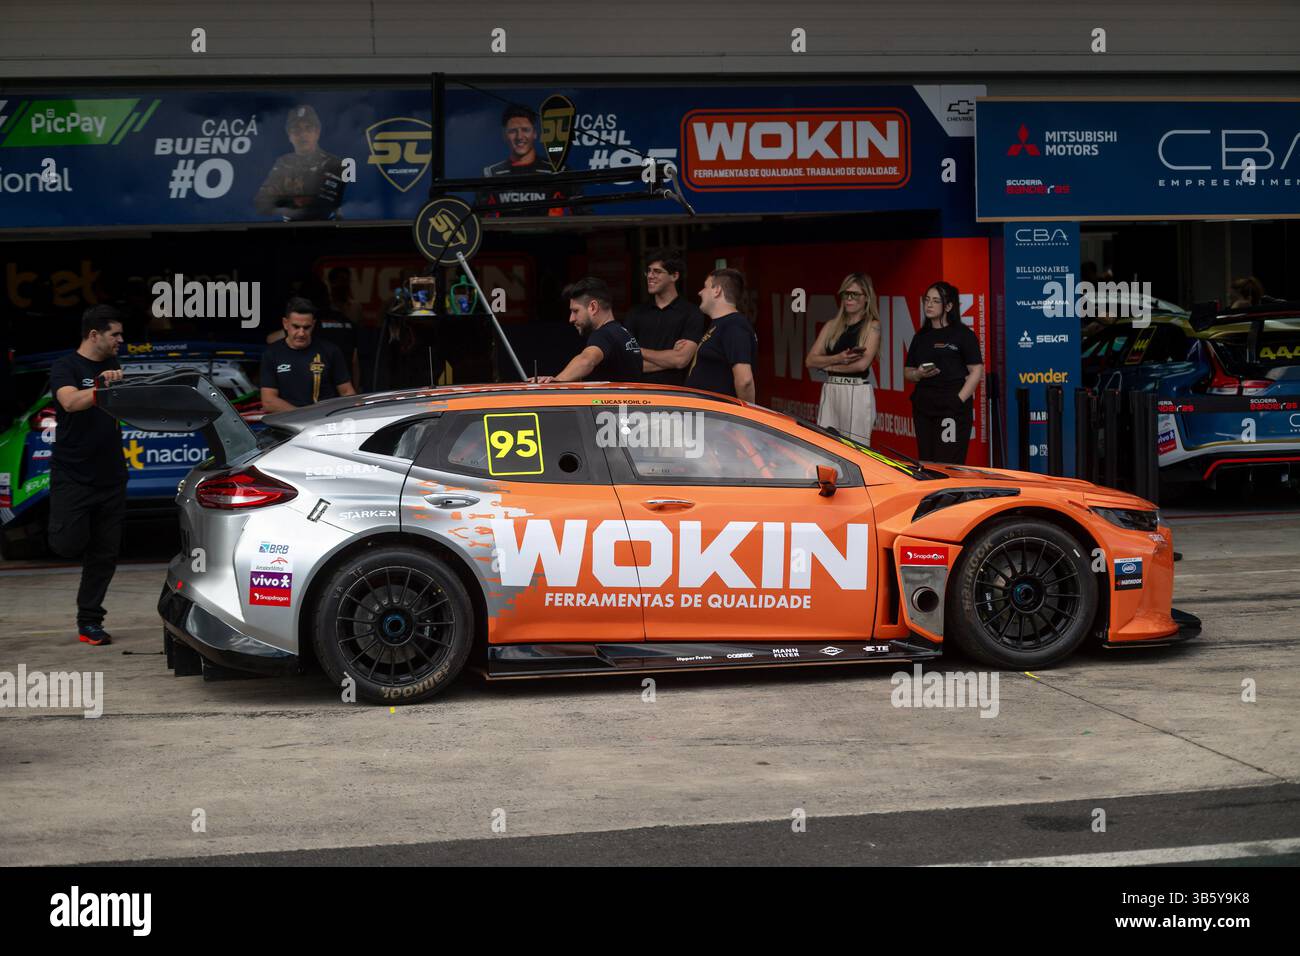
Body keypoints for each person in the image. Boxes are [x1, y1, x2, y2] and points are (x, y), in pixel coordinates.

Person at [47, 305, 127, 646]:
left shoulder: (113, 365)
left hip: (111, 474)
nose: (121, 340)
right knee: (67, 543)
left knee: (105, 554)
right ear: (94, 335)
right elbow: (69, 403)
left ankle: (90, 621)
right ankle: (66, 534)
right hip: (73, 473)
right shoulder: (65, 366)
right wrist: (100, 387)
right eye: (115, 335)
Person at [904, 281, 983, 464]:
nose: (929, 305)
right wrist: (919, 374)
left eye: (936, 301)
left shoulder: (963, 335)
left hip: (952, 408)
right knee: (927, 463)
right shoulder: (920, 336)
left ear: (948, 306)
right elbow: (908, 372)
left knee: (948, 464)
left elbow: (976, 370)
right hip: (924, 406)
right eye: (927, 300)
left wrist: (957, 400)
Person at [805, 272, 882, 443]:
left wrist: (829, 366)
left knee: (856, 448)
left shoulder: (872, 325)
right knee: (826, 444)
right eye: (846, 294)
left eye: (854, 294)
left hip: (856, 389)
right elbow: (810, 360)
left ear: (866, 298)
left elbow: (861, 365)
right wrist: (838, 358)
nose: (849, 299)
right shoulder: (832, 325)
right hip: (831, 387)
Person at [622, 249, 707, 386]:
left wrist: (638, 350)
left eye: (657, 271)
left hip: (675, 397)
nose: (650, 275)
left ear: (674, 276)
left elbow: (681, 360)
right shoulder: (635, 313)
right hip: (639, 394)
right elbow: (626, 363)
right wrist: (670, 359)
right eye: (648, 271)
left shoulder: (691, 313)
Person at [530, 277, 641, 383]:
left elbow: (586, 360)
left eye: (575, 311)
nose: (571, 319)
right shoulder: (625, 335)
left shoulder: (603, 335)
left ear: (593, 307)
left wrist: (557, 382)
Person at [259, 297, 356, 412]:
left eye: (306, 327)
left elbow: (347, 392)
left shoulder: (330, 351)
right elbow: (268, 401)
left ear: (313, 324)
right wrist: (303, 418)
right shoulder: (272, 354)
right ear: (285, 323)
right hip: (287, 424)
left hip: (324, 422)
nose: (301, 333)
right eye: (296, 326)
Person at [476, 104, 573, 218]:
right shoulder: (490, 174)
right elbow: (477, 220)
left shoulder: (557, 171)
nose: (519, 137)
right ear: (504, 135)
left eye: (525, 130)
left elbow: (583, 216)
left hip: (549, 235)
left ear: (535, 133)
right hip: (505, 235)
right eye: (513, 131)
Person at [253, 105, 345, 222]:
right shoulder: (283, 163)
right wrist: (293, 202)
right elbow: (261, 203)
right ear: (289, 136)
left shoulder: (335, 164)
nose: (303, 134)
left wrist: (284, 201)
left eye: (308, 128)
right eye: (296, 130)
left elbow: (322, 206)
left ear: (317, 133)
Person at [685, 268, 756, 403]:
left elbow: (745, 381)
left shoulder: (734, 325)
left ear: (717, 290)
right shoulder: (722, 324)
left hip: (718, 421)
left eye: (705, 287)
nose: (700, 292)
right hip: (706, 418)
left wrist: (745, 418)